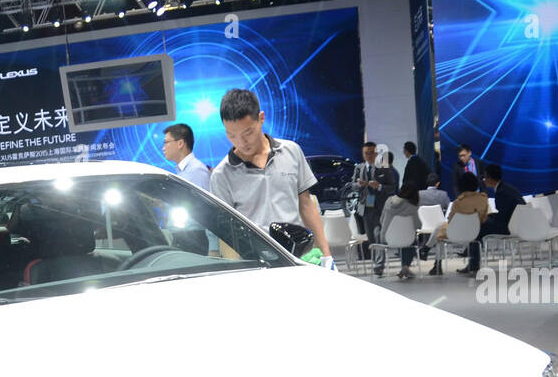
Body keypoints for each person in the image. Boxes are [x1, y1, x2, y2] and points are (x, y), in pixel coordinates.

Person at [209, 88, 333, 265]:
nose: (241, 142)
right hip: (255, 264)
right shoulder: (222, 175)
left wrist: (326, 254)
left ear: (261, 118)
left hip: (299, 257)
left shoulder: (291, 151)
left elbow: (305, 204)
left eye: (248, 133)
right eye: (231, 135)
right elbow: (226, 233)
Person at [463, 163, 524, 274]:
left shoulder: (502, 192)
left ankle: (473, 262)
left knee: (477, 226)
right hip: (515, 223)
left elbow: (503, 216)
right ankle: (471, 255)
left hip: (509, 226)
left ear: (490, 178)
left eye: (485, 177)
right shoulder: (506, 188)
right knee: (479, 225)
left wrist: (487, 217)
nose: (484, 180)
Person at [427, 170, 488, 274]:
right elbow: (484, 218)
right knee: (441, 228)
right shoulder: (483, 199)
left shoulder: (458, 202)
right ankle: (427, 250)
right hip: (475, 234)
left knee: (440, 232)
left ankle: (436, 264)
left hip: (457, 235)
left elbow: (451, 221)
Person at [363, 145, 399, 276]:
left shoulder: (385, 169)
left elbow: (392, 187)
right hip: (367, 206)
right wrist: (359, 185)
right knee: (371, 237)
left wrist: (379, 186)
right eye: (367, 153)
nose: (369, 155)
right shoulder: (360, 167)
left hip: (381, 206)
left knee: (378, 234)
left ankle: (379, 264)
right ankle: (377, 261)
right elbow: (353, 185)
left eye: (372, 153)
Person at [379, 184, 422, 279]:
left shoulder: (389, 201)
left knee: (403, 240)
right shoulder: (412, 207)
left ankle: (405, 268)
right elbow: (418, 226)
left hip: (386, 238)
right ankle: (405, 267)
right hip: (405, 239)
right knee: (410, 241)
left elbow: (381, 220)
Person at [161, 122, 211, 190]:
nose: (163, 148)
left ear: (180, 143)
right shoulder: (185, 171)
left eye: (166, 143)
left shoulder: (196, 171)